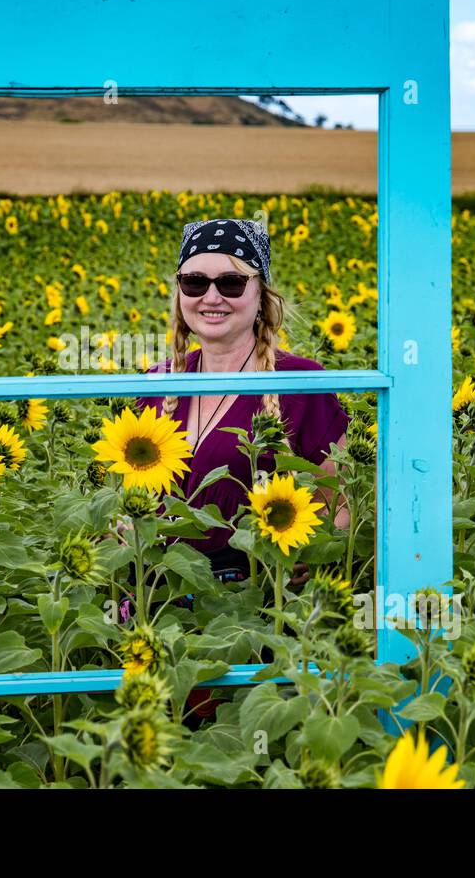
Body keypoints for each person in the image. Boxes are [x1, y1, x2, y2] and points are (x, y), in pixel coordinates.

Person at [126, 217, 351, 724]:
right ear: (179, 292)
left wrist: (305, 559)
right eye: (194, 281)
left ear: (261, 294)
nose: (211, 297)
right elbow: (135, 494)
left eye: (230, 282)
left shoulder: (300, 380)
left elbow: (341, 502)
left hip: (260, 610)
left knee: (249, 739)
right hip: (164, 611)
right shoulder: (160, 381)